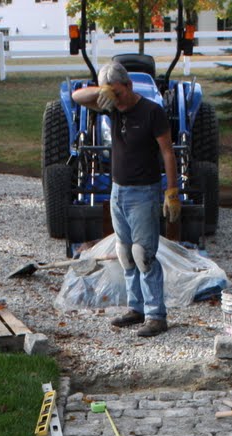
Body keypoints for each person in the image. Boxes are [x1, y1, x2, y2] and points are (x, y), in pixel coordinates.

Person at [70, 61, 181, 338]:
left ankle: (156, 315)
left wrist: (172, 191)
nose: (115, 100)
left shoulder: (152, 112)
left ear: (129, 86)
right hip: (118, 191)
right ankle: (137, 308)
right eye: (111, 94)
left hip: (144, 192)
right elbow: (76, 97)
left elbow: (168, 152)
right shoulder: (111, 107)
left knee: (144, 255)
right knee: (125, 252)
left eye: (118, 93)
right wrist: (103, 91)